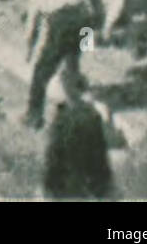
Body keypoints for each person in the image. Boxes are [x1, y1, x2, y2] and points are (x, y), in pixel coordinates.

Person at [24, 0, 103, 129]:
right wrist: (88, 44)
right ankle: (78, 103)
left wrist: (29, 51)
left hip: (62, 23)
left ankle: (33, 116)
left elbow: (32, 29)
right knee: (73, 64)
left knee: (41, 72)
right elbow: (84, 3)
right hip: (83, 20)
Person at [42, 70, 114, 200]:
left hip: (66, 189)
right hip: (87, 187)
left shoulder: (63, 121)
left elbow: (54, 158)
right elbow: (99, 158)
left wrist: (49, 188)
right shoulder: (93, 116)